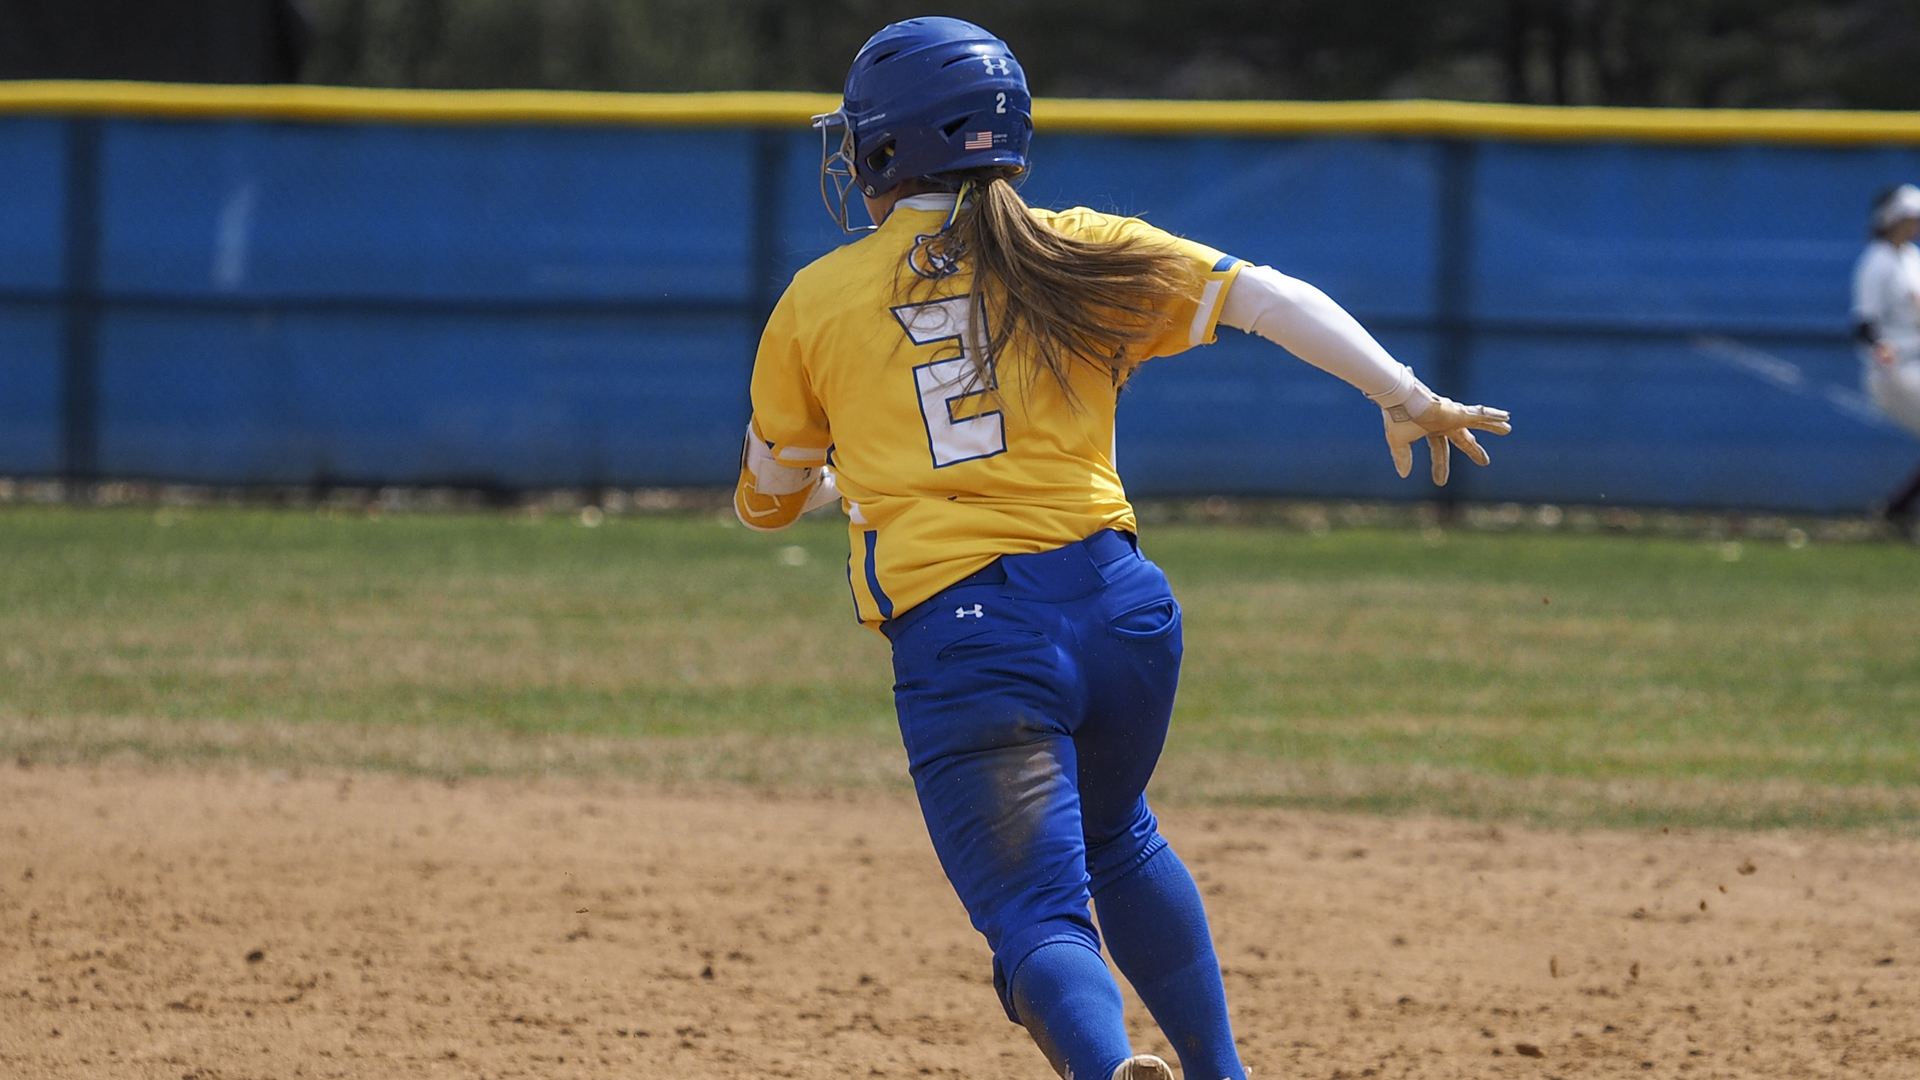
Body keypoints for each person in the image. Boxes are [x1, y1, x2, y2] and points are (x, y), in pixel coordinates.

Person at [733, 18, 1511, 1080]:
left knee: (1035, 916)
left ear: (882, 150)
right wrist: (1408, 396)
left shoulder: (818, 300)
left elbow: (771, 493)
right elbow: (1269, 298)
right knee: (1119, 837)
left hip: (973, 640)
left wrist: (820, 484)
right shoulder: (1076, 247)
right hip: (1123, 612)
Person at [1851, 183, 1920, 540]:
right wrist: (1880, 346)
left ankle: (1897, 509)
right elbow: (1864, 324)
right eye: (1908, 217)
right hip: (1896, 371)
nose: (1914, 224)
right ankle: (1897, 509)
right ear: (1891, 219)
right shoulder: (1876, 261)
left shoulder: (1911, 257)